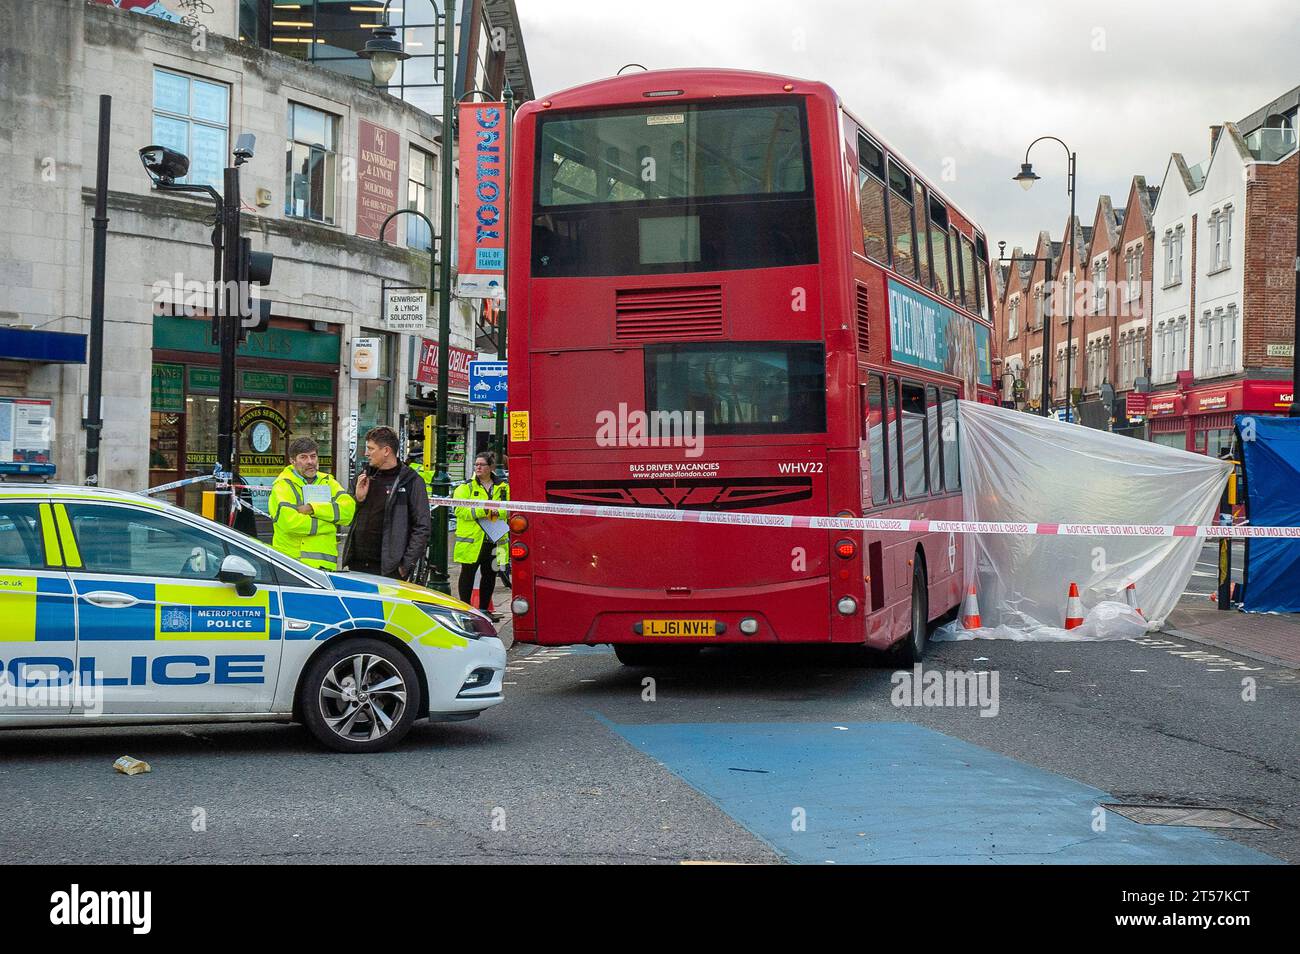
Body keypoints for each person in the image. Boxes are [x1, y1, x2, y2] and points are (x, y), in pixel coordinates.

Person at [341, 425, 431, 580]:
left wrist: (405, 565)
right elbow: (347, 517)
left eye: (371, 448)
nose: (366, 453)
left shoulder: (411, 481)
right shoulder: (362, 477)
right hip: (357, 564)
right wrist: (359, 500)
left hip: (389, 569)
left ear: (386, 451)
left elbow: (422, 526)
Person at [270, 437, 355, 570]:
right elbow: (291, 524)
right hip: (291, 567)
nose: (310, 462)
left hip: (325, 568)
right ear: (292, 461)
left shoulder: (328, 482)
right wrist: (331, 525)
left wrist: (313, 509)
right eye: (303, 457)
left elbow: (348, 513)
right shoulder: (282, 485)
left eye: (313, 456)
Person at [453, 451, 510, 615]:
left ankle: (485, 610)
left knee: (490, 574)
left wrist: (496, 511)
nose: (477, 467)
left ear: (491, 467)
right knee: (467, 574)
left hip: (495, 540)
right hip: (472, 541)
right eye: (476, 464)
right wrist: (483, 510)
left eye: (481, 464)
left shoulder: (503, 487)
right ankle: (464, 609)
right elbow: (460, 510)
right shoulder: (465, 487)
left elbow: (509, 509)